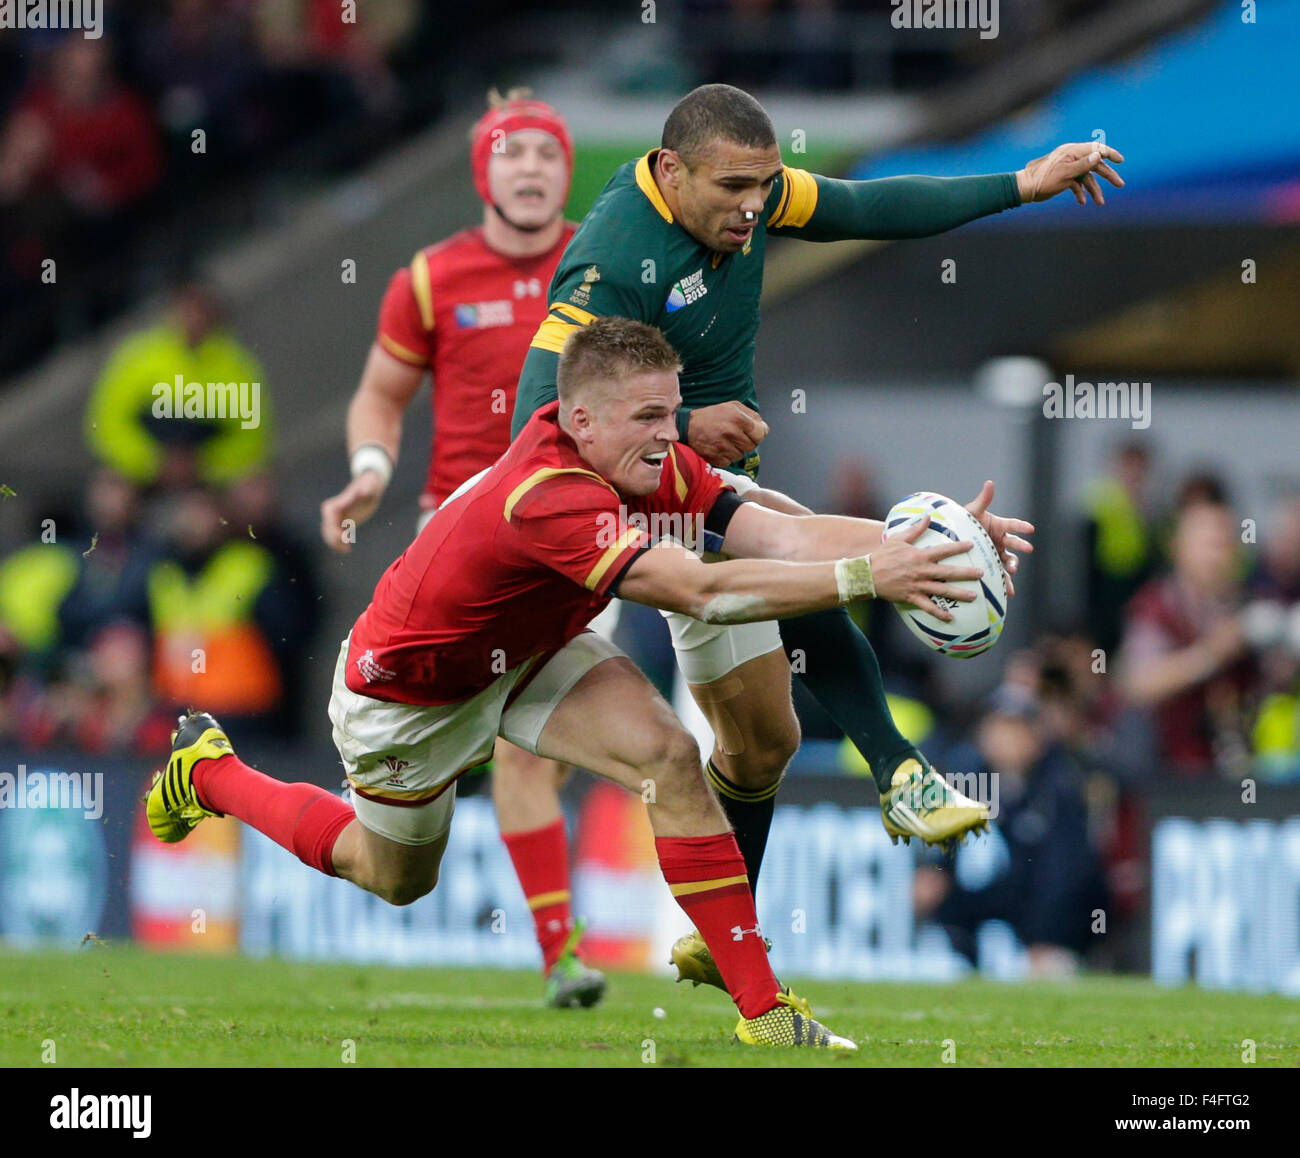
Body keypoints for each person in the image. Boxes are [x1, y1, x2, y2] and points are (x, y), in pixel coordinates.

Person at [148, 317, 1014, 1049]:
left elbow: (776, 535)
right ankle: (211, 773)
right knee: (394, 875)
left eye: (672, 415)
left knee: (670, 755)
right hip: (408, 694)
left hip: (528, 656)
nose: (667, 437)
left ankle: (765, 1011)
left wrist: (928, 539)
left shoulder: (645, 459)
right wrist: (871, 578)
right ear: (579, 419)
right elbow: (703, 593)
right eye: (647, 418)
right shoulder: (547, 494)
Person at [510, 82, 1073, 985]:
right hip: (629, 509)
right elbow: (541, 419)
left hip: (713, 496)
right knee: (392, 856)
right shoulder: (612, 261)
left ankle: (718, 933)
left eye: (762, 186)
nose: (751, 207)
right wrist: (685, 425)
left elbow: (867, 206)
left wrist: (1020, 183)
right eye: (732, 187)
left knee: (764, 743)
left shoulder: (755, 199)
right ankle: (896, 767)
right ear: (669, 171)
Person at [317, 90, 608, 1008]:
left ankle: (564, 953)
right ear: (484, 171)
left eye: (548, 155)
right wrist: (370, 467)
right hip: (462, 535)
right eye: (512, 153)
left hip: (579, 534)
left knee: (540, 750)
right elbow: (379, 395)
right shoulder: (433, 277)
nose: (530, 169)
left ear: (568, 172)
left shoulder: (600, 265)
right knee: (454, 783)